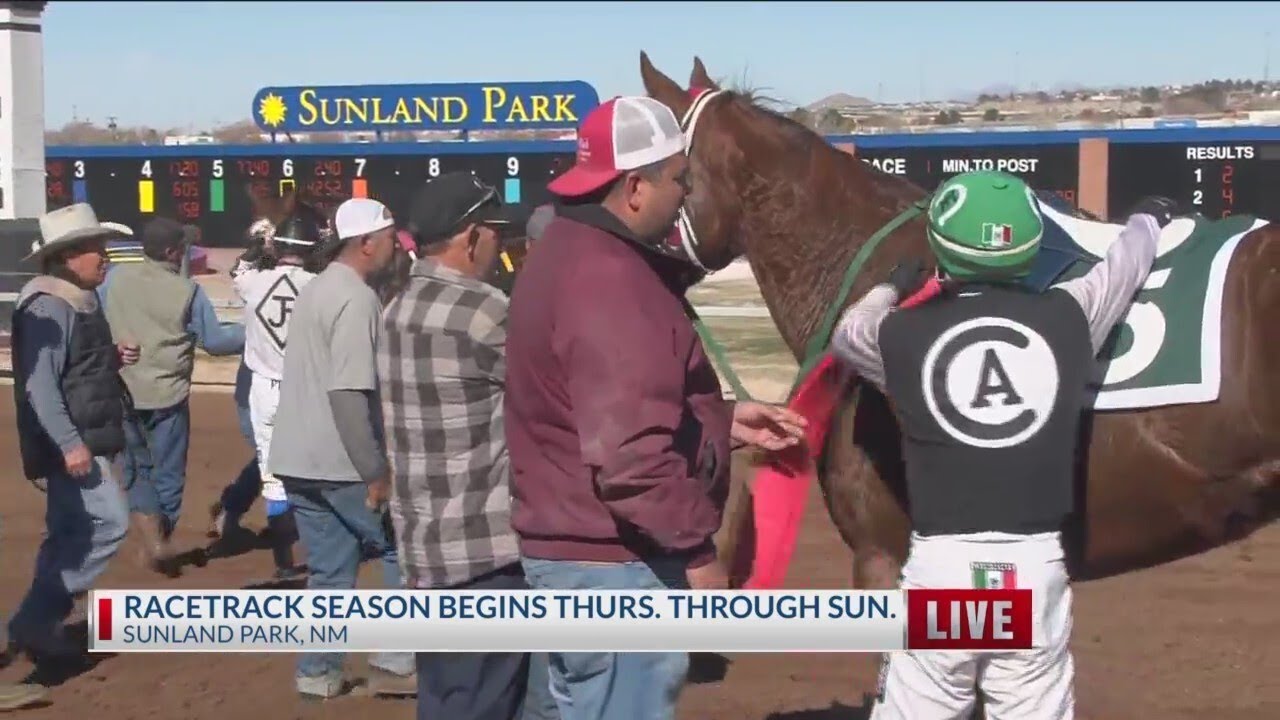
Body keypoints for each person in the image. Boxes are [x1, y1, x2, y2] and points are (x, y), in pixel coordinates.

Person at [504, 96, 807, 719]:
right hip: (615, 563)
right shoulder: (612, 278)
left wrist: (722, 421)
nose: (686, 193)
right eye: (680, 178)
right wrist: (697, 552)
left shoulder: (565, 248)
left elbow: (598, 405)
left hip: (573, 553)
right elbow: (630, 457)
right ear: (636, 186)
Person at [830, 170, 1162, 720]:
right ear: (1030, 249)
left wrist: (892, 285)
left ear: (942, 248)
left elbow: (847, 333)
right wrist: (1148, 217)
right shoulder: (1070, 314)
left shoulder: (899, 337)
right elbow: (1124, 267)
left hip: (944, 571)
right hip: (1035, 572)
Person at [380, 171, 552, 720]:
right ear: (471, 236)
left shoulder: (394, 308)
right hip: (486, 547)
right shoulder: (484, 310)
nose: (501, 244)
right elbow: (558, 396)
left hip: (424, 545)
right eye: (496, 232)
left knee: (447, 696)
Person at [267, 197, 416, 699]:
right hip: (341, 459)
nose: (396, 247)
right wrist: (375, 469)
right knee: (401, 550)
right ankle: (396, 662)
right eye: (391, 238)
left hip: (297, 456)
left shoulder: (318, 288)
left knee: (331, 569)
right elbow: (349, 392)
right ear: (367, 243)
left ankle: (318, 672)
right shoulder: (356, 298)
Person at [6, 204, 136, 681]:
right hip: (74, 442)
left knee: (65, 535)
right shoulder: (50, 304)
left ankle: (42, 629)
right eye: (97, 250)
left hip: (77, 436)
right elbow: (40, 385)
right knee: (110, 523)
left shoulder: (73, 299)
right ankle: (33, 620)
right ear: (70, 256)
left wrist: (112, 358)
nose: (106, 258)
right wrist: (69, 443)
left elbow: (73, 371)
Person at [100, 217, 245, 576]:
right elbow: (216, 341)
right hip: (167, 396)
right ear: (172, 251)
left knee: (135, 470)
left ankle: (152, 542)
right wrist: (257, 330)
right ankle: (158, 541)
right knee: (168, 474)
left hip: (121, 389)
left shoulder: (113, 278)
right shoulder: (188, 292)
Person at [225, 203, 330, 582]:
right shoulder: (321, 286)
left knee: (273, 478)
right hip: (306, 390)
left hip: (264, 392)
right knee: (317, 470)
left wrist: (260, 242)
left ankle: (284, 562)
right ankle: (323, 549)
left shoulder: (252, 282)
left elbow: (240, 267)